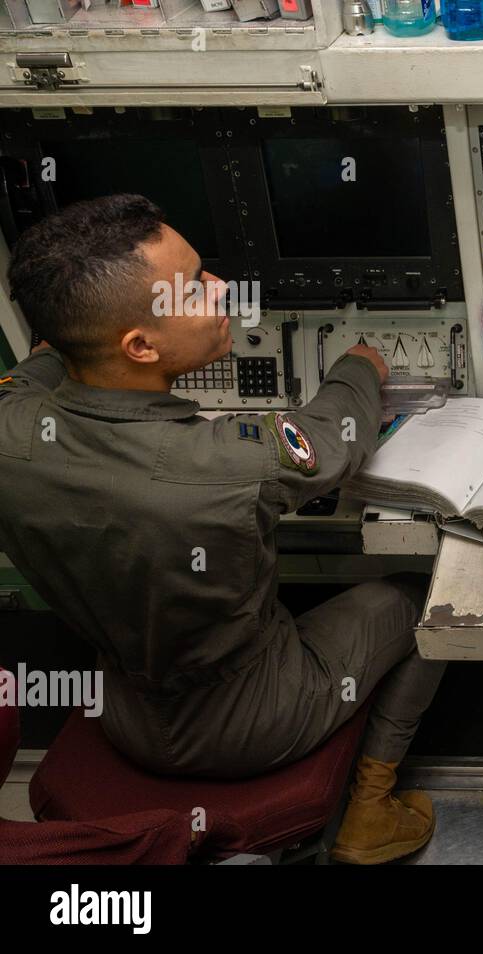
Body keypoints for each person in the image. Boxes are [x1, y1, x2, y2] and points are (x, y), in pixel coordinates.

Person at [0, 194, 443, 863]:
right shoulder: (229, 462)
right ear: (140, 345)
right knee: (423, 603)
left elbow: (31, 370)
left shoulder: (10, 427)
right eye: (194, 287)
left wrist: (62, 346)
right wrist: (361, 367)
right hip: (256, 725)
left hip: (122, 712)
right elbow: (330, 440)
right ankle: (372, 812)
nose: (220, 289)